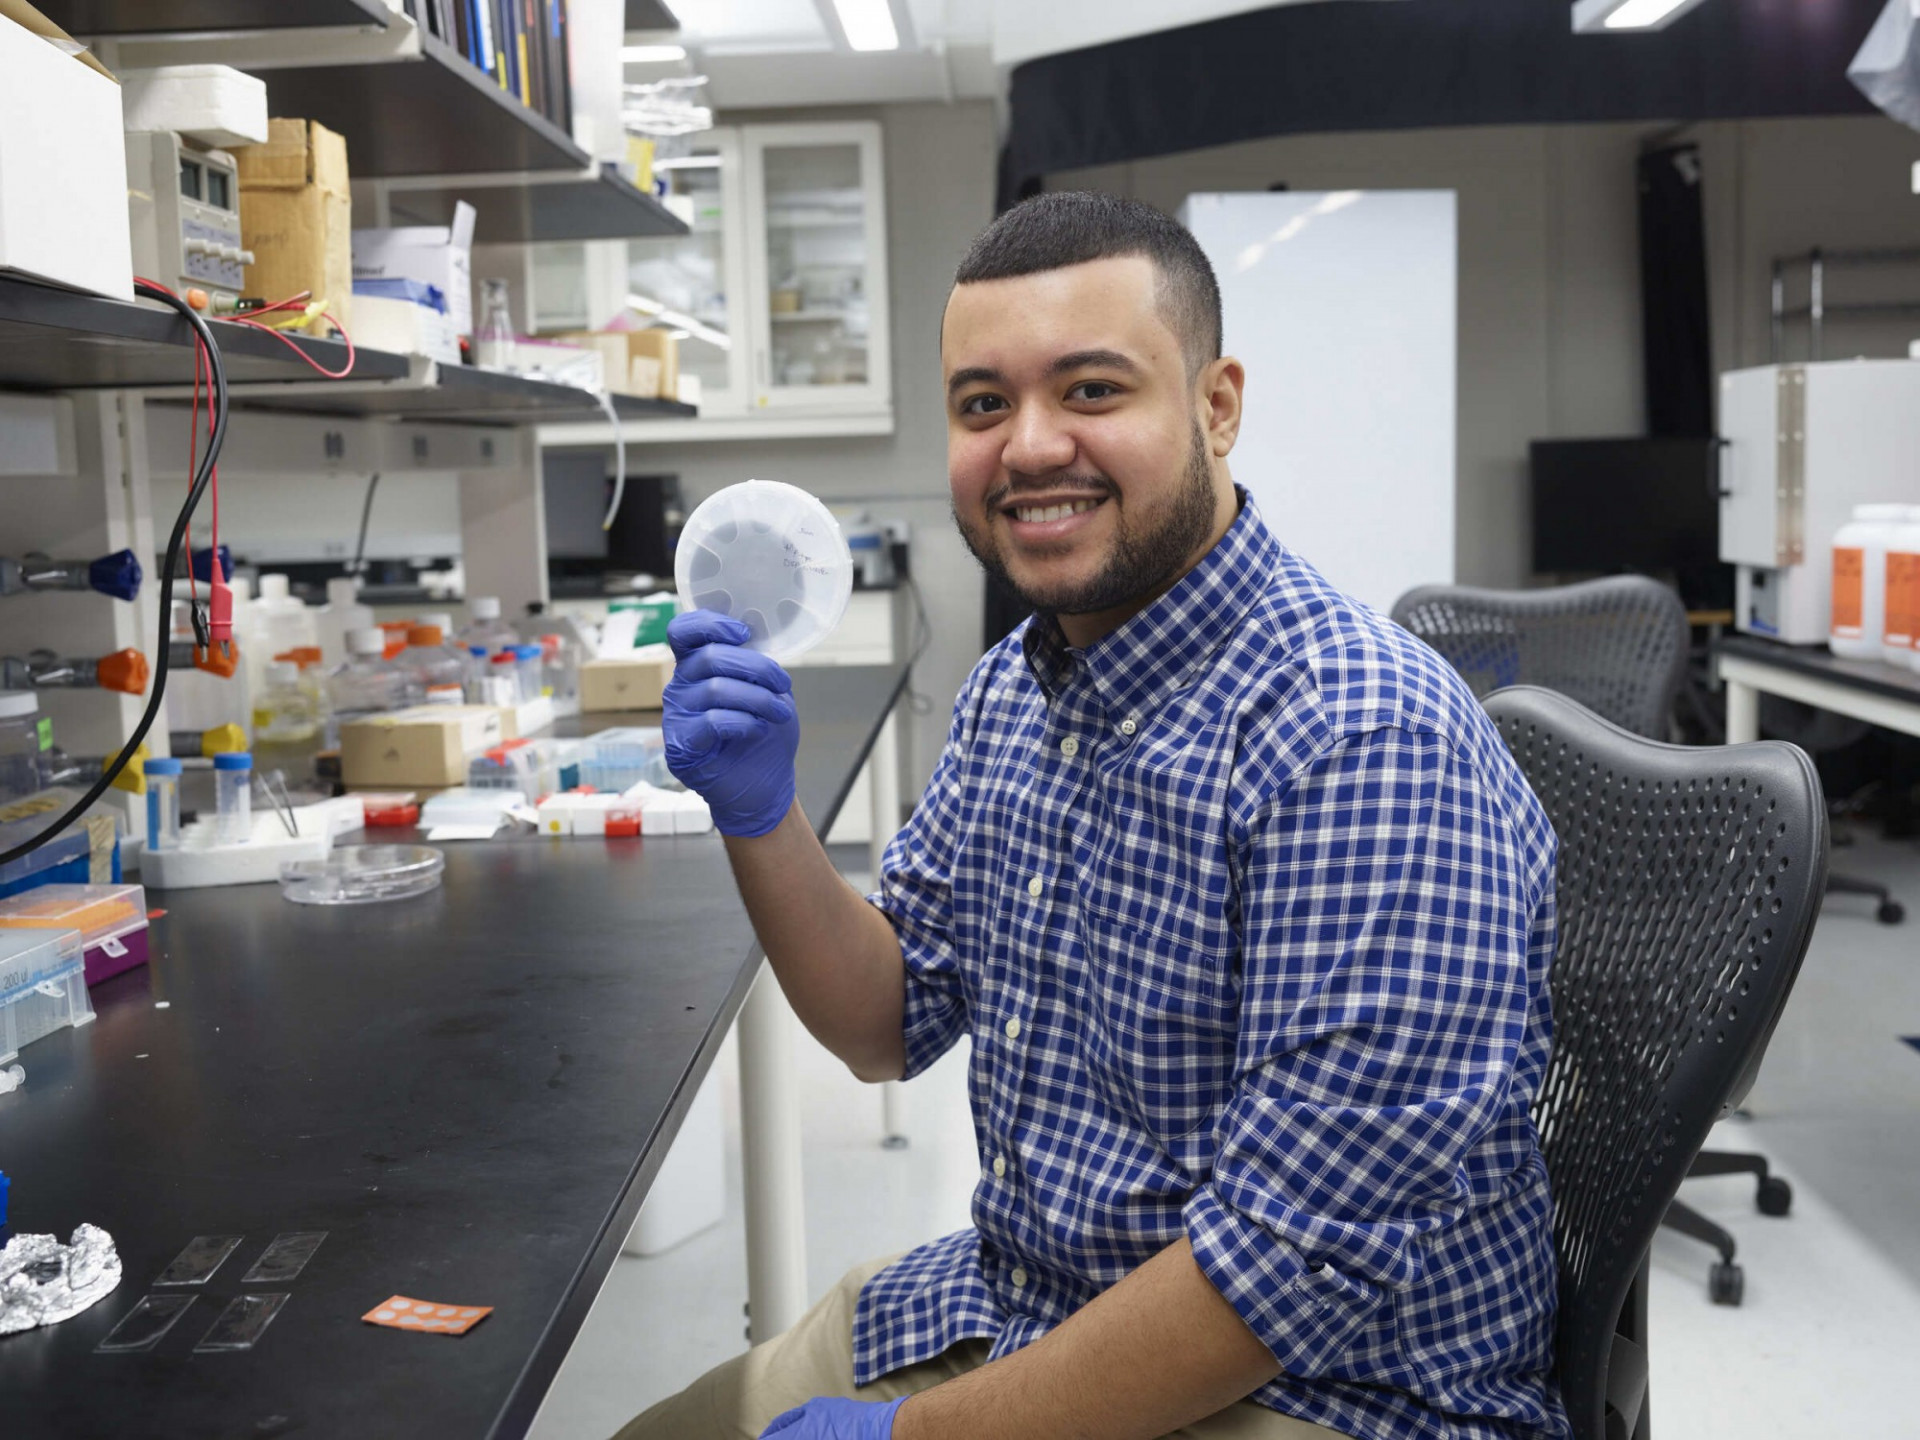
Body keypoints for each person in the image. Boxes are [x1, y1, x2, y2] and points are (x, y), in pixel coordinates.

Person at [623, 191, 1566, 1440]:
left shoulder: (1357, 739)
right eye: (982, 404)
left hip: (1326, 1393)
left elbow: (1283, 1274)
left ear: (1217, 406)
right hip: (1035, 1302)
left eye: (1093, 390)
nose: (1028, 447)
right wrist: (762, 819)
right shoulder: (1021, 689)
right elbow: (881, 1025)